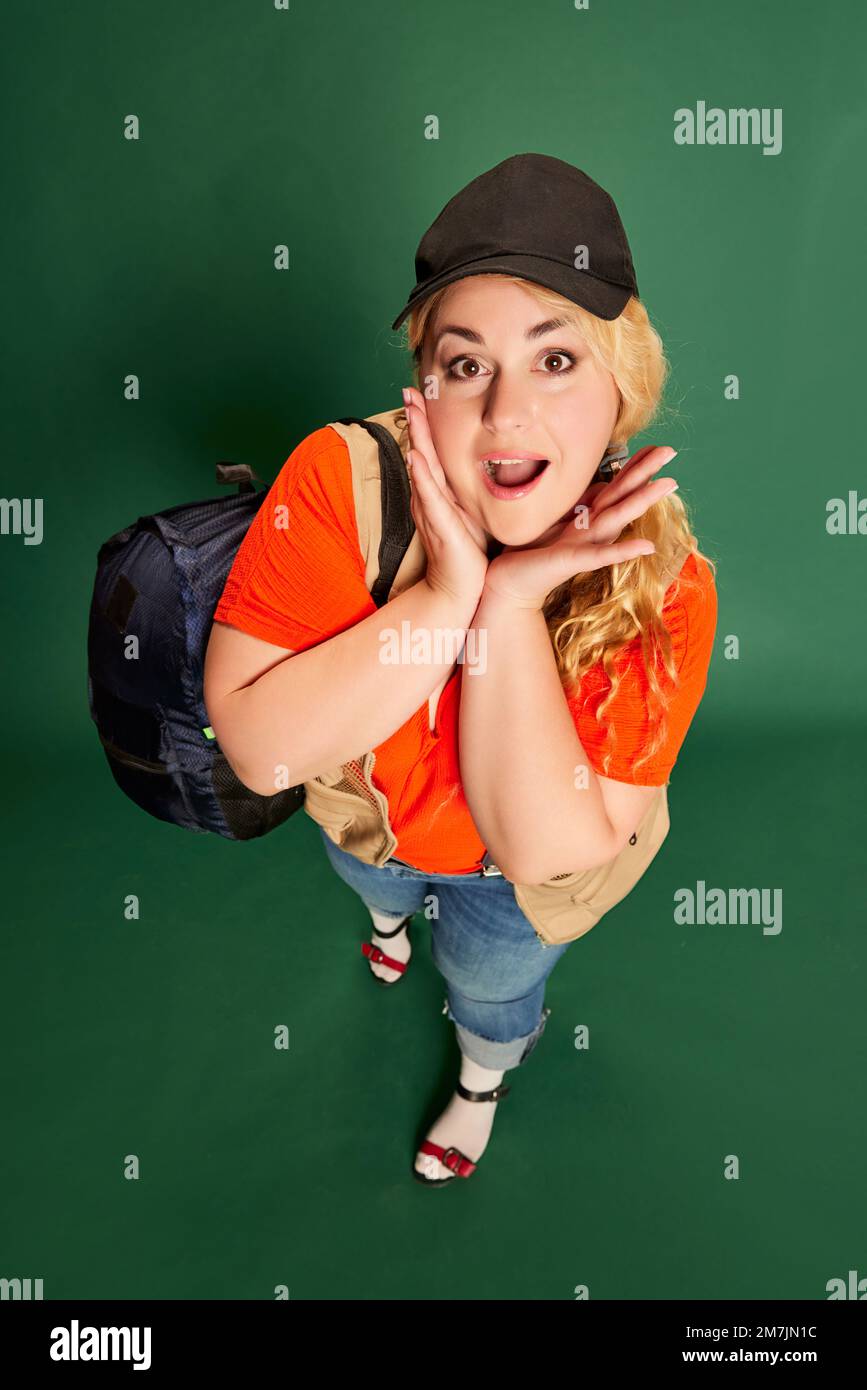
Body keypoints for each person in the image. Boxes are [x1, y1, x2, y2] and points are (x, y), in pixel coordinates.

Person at [203, 153, 718, 1186]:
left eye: (557, 359)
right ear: (424, 389)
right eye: (466, 362)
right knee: (369, 882)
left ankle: (482, 1081)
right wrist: (445, 594)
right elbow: (260, 756)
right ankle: (391, 924)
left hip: (502, 892)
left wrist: (509, 599)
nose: (507, 411)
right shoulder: (338, 481)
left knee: (490, 994)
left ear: (623, 389)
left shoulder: (667, 585)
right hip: (371, 822)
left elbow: (541, 850)